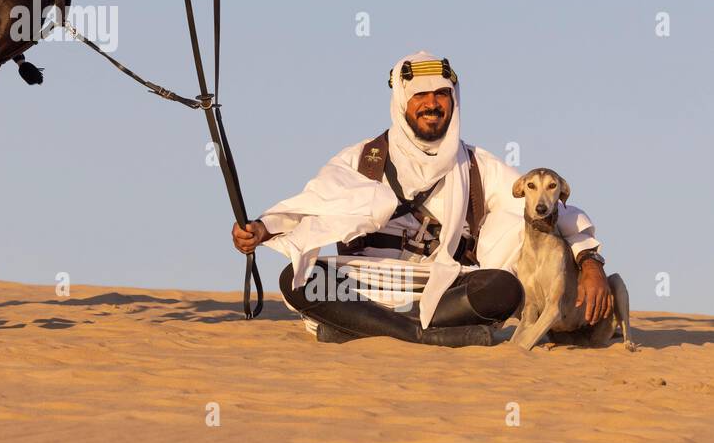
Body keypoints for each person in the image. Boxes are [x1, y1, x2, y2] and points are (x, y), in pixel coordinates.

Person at [231, 51, 613, 347]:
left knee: (504, 289)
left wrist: (590, 262)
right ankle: (419, 337)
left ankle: (364, 333)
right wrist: (263, 229)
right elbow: (309, 204)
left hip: (446, 293)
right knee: (300, 279)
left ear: (454, 99)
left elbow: (550, 210)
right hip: (364, 287)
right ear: (402, 101)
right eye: (421, 95)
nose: (432, 103)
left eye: (441, 94)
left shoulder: (479, 166)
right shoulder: (363, 159)